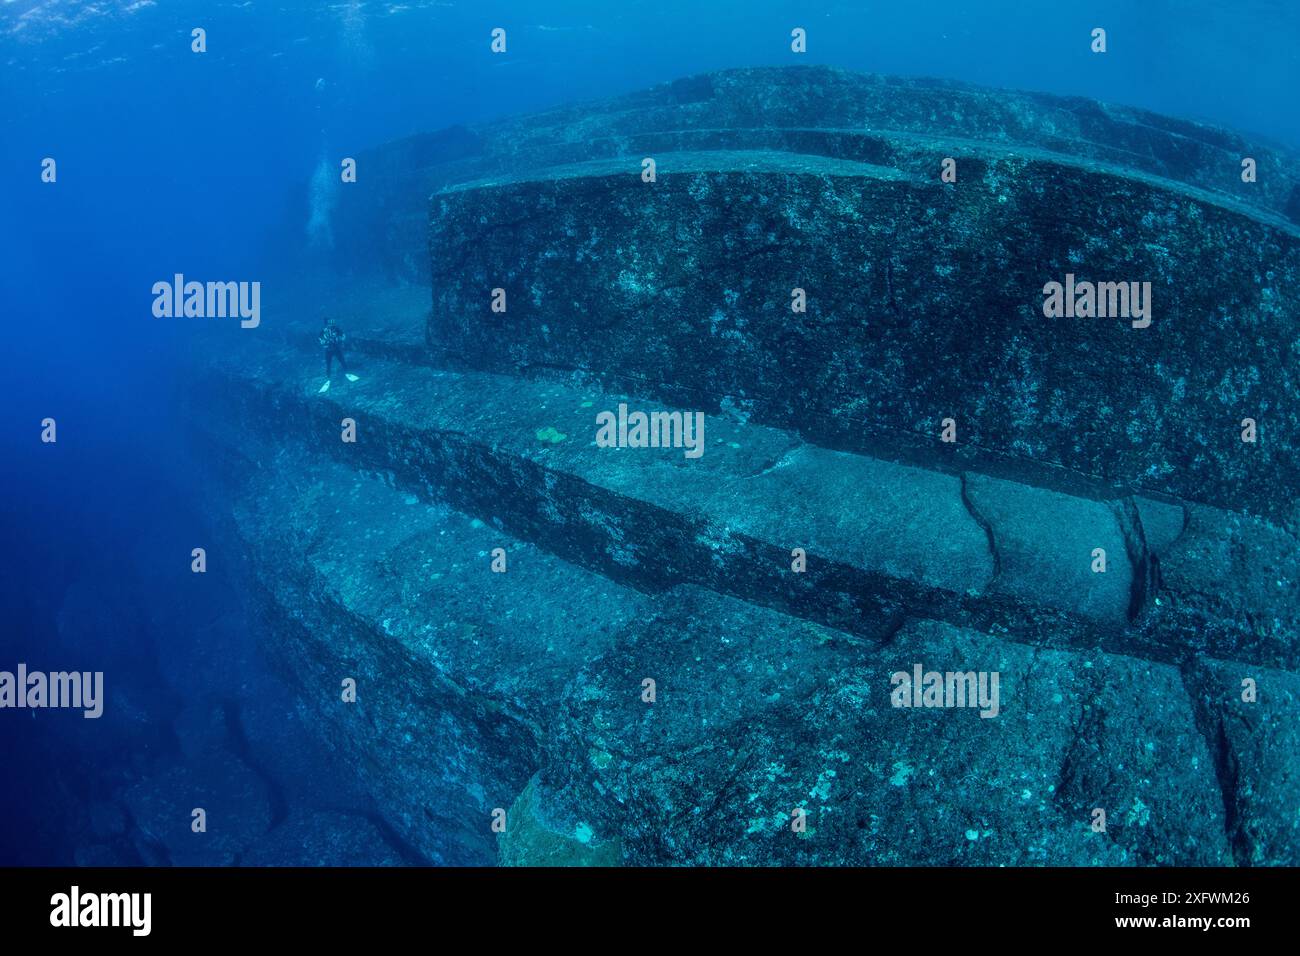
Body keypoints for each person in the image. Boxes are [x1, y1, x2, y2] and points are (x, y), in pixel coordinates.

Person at [318, 317, 359, 393]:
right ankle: (328, 378)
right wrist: (327, 343)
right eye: (330, 323)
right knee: (328, 364)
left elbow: (343, 335)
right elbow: (320, 340)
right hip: (329, 350)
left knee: (342, 361)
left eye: (332, 323)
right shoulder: (323, 332)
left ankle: (347, 372)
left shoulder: (336, 329)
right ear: (326, 324)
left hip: (336, 348)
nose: (332, 325)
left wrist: (339, 339)